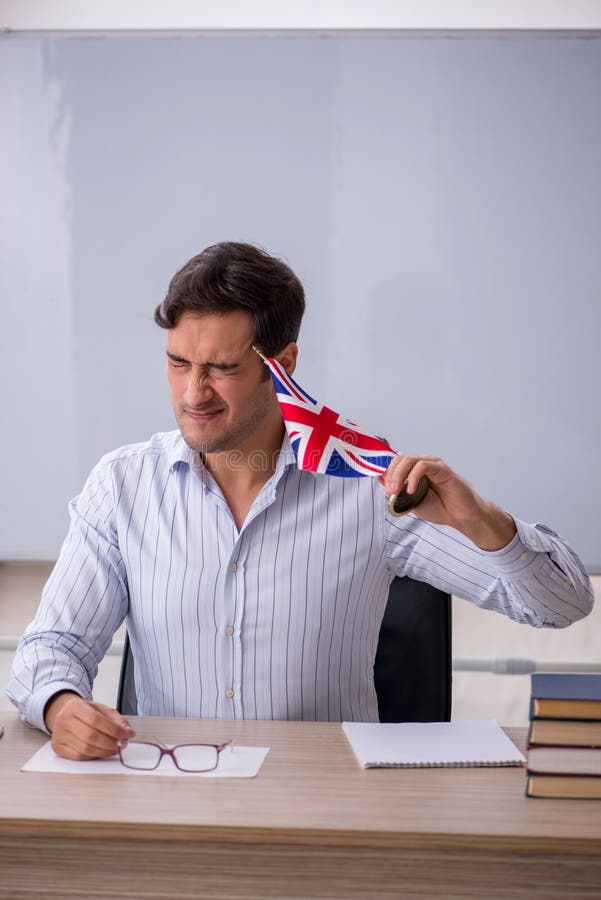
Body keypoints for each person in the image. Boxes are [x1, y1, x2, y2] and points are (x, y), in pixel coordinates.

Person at [8, 241, 594, 761]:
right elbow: (52, 646)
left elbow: (561, 605)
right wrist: (60, 705)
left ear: (282, 365)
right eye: (178, 362)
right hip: (175, 804)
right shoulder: (122, 487)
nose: (193, 393)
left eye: (221, 368)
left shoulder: (371, 488)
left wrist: (480, 520)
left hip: (327, 812)